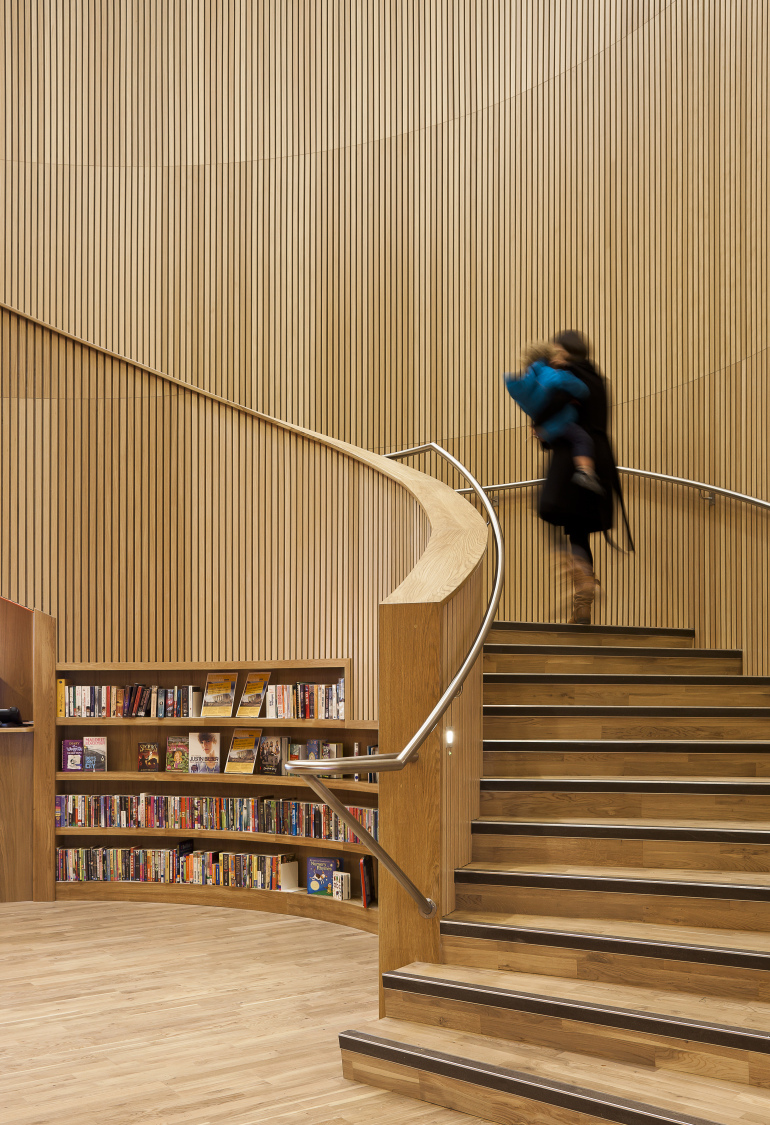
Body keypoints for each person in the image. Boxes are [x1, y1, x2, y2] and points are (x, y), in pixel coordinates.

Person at [537, 330, 633, 624]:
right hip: (599, 462)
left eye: (555, 350)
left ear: (564, 351)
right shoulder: (598, 380)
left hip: (572, 463)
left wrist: (540, 428)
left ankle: (578, 570)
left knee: (547, 510)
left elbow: (550, 414)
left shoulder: (565, 377)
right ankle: (582, 603)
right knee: (577, 529)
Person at [505, 342, 603, 493]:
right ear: (549, 358)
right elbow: (580, 389)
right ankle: (585, 472)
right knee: (582, 440)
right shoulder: (551, 374)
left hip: (547, 432)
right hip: (562, 423)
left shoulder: (526, 384)